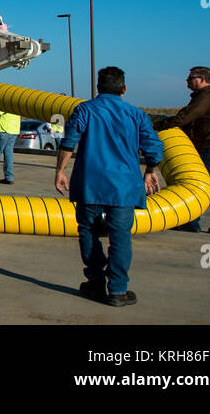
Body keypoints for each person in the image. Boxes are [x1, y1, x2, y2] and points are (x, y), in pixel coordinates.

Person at [55, 66, 163, 307]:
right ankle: (117, 290)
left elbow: (69, 142)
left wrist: (60, 172)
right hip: (124, 186)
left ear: (97, 88)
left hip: (89, 184)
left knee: (88, 232)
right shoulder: (136, 115)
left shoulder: (85, 109)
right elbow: (154, 148)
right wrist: (150, 171)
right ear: (124, 89)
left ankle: (94, 282)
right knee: (120, 236)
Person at [155, 66, 210, 235]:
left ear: (201, 79)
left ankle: (195, 221)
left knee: (198, 184)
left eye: (190, 78)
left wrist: (158, 126)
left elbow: (185, 117)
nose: (187, 81)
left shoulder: (205, 98)